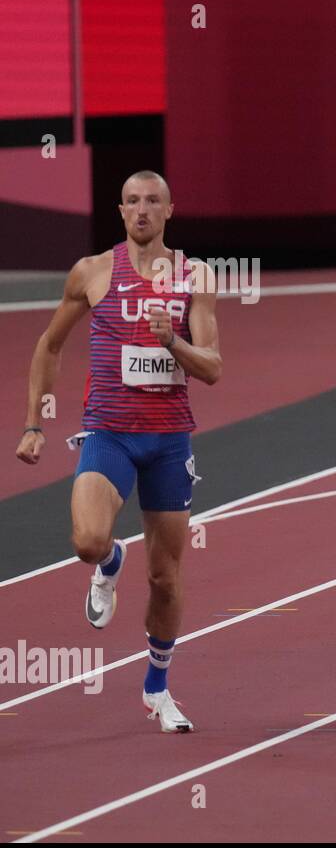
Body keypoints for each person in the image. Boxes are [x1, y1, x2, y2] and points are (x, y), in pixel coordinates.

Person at [16, 171, 222, 730]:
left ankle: (157, 687)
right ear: (121, 210)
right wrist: (35, 421)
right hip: (108, 433)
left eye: (153, 201)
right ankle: (109, 562)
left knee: (166, 578)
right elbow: (49, 344)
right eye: (132, 202)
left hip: (168, 442)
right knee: (86, 540)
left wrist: (171, 341)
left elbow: (213, 368)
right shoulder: (93, 272)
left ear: (170, 210)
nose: (142, 211)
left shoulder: (194, 277)